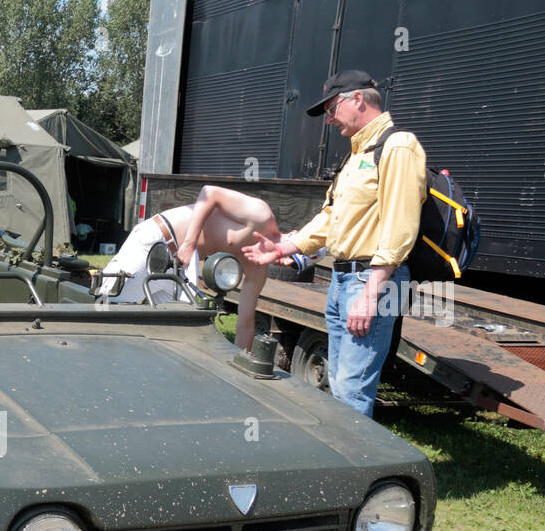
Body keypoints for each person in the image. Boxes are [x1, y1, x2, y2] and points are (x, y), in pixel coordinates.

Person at [243, 69, 426, 417]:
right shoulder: (357, 155)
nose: (329, 120)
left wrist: (371, 293)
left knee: (352, 394)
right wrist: (283, 248)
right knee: (339, 385)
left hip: (370, 281)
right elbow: (331, 219)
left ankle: (358, 468)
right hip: (344, 280)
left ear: (357, 99)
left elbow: (401, 226)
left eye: (331, 109)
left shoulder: (398, 146)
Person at [97, 185, 291, 351]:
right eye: (292, 254)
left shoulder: (258, 267)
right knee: (107, 314)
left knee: (182, 340)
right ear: (295, 235)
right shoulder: (261, 215)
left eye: (294, 265)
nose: (285, 262)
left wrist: (240, 367)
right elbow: (210, 192)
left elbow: (245, 323)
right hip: (160, 242)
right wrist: (190, 242)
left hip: (181, 268)